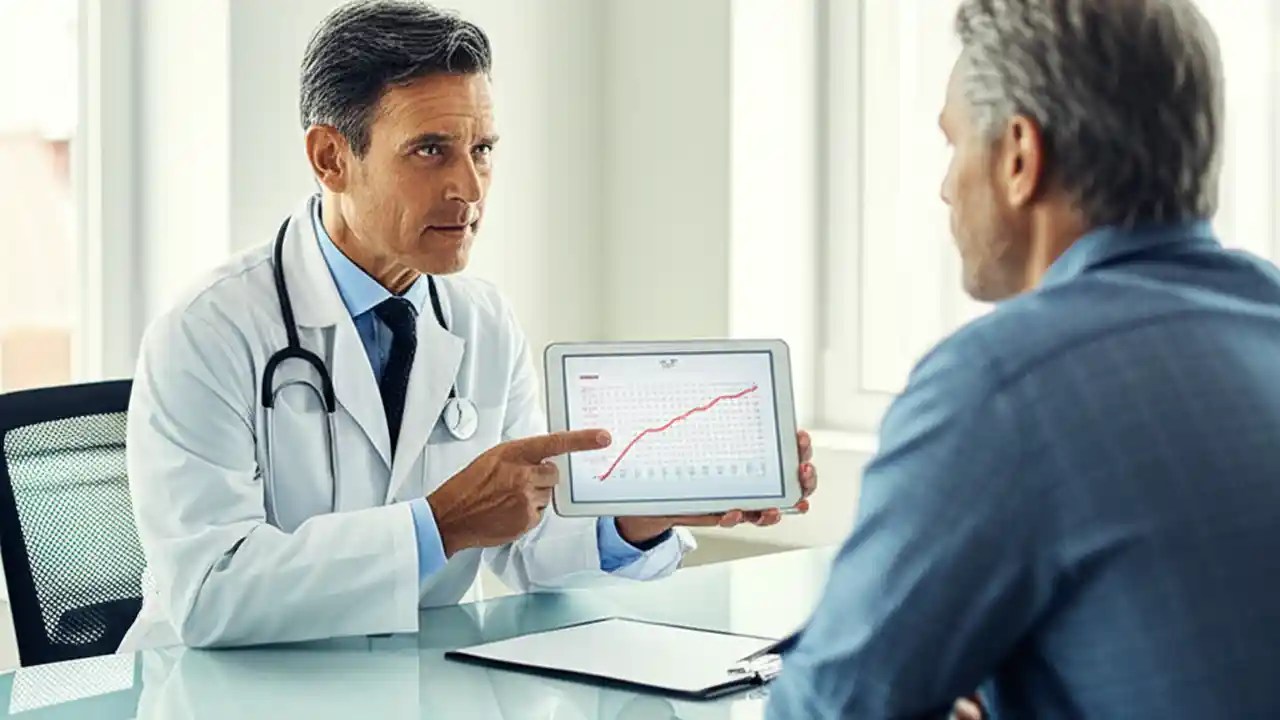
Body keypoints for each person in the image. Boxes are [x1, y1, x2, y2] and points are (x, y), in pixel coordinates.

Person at [121, 0, 817, 651]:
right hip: (210, 693)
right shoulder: (209, 331)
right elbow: (208, 594)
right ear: (331, 158)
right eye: (430, 150)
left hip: (403, 685)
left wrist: (641, 519)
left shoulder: (482, 322)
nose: (471, 187)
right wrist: (439, 525)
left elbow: (525, 551)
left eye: (482, 148)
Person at [767, 0, 1280, 718]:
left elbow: (825, 711)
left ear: (1017, 156)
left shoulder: (998, 387)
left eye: (953, 145)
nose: (946, 186)